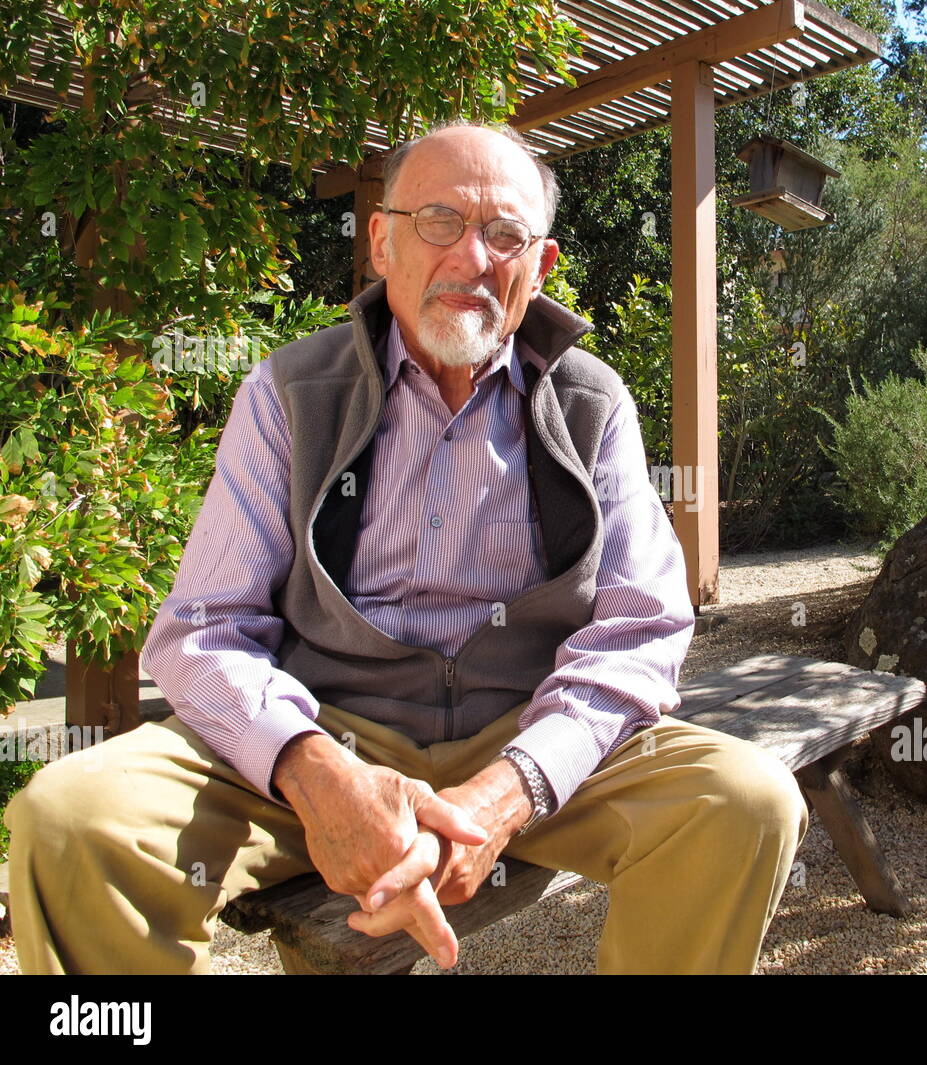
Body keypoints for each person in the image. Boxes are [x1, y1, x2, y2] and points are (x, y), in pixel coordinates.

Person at [4, 120, 808, 975]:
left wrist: (510, 789)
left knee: (744, 801)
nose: (471, 257)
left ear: (540, 268)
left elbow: (641, 627)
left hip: (524, 723)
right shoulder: (290, 393)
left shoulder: (589, 403)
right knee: (67, 819)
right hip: (324, 725)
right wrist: (316, 775)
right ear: (381, 241)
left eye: (504, 235)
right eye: (439, 221)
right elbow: (202, 628)